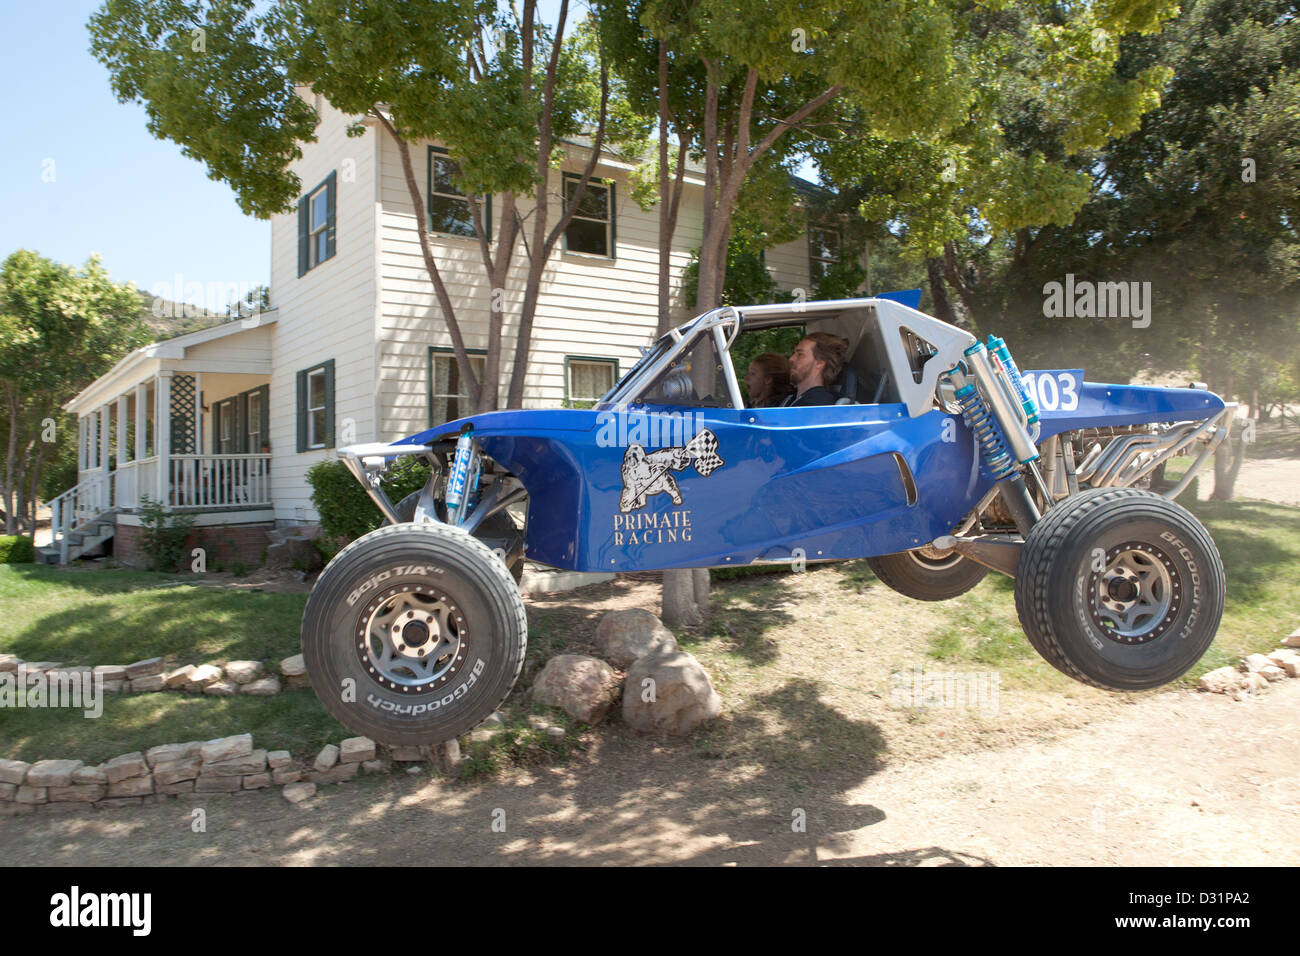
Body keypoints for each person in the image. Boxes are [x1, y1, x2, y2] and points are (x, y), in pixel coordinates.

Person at [782, 332, 849, 407]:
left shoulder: (817, 405)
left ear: (819, 363)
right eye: (794, 353)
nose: (791, 359)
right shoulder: (792, 398)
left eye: (800, 354)